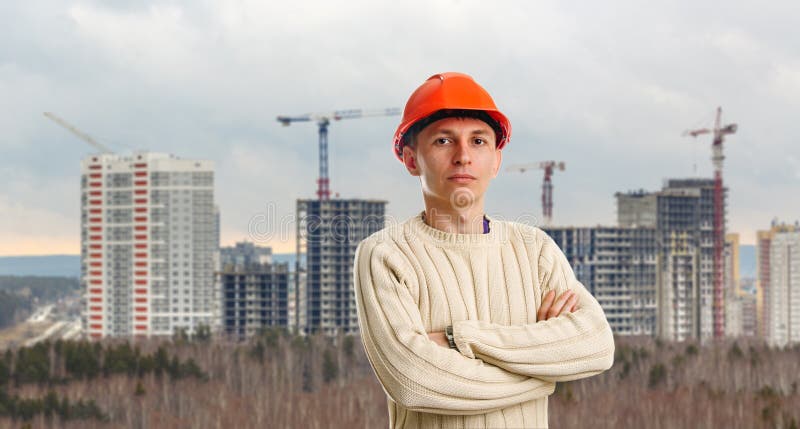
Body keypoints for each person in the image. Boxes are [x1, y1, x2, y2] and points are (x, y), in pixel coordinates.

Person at [353, 72, 614, 428]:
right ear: (411, 160)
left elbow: (595, 344)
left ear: (496, 160)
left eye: (478, 141)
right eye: (444, 141)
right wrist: (543, 374)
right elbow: (414, 382)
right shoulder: (385, 255)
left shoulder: (534, 250)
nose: (463, 156)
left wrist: (458, 338)